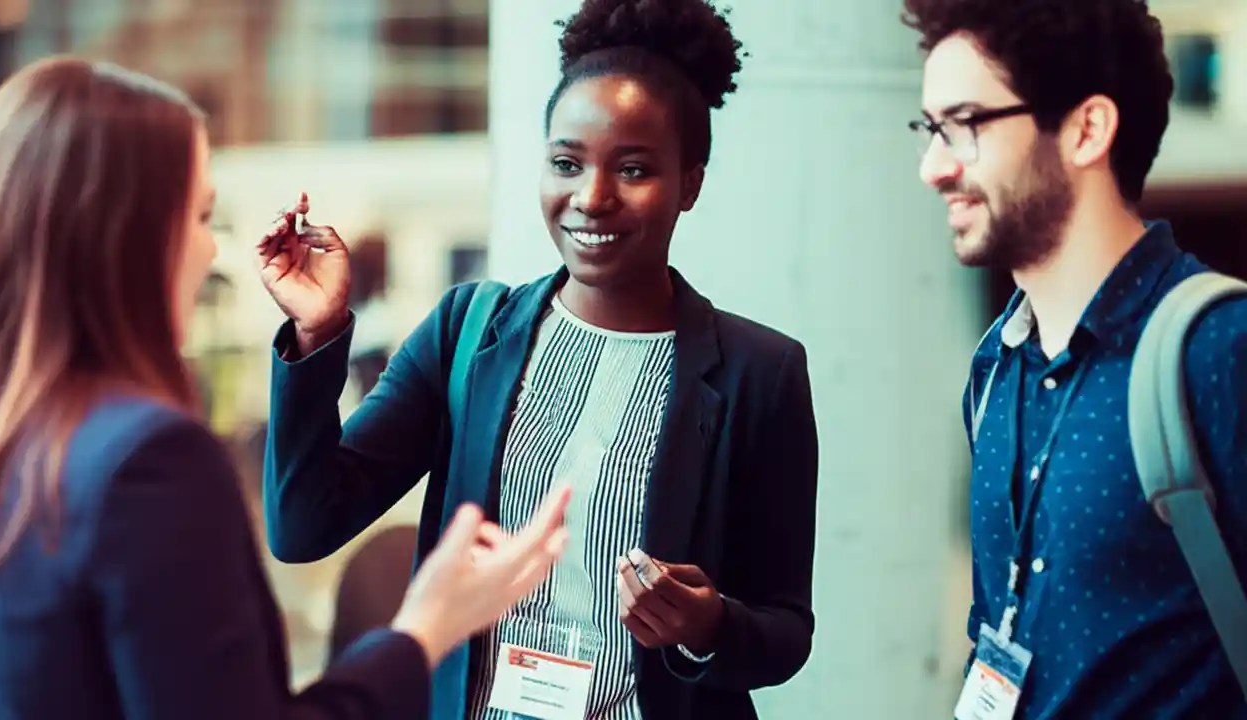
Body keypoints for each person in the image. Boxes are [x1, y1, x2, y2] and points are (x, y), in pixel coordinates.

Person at [258, 0, 820, 717]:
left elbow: (785, 631)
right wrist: (316, 333)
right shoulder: (467, 330)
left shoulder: (757, 372)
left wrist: (708, 627)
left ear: (690, 183)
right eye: (566, 163)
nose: (592, 198)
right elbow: (303, 526)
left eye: (636, 168)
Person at [0, 56, 569, 720]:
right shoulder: (145, 459)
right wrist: (426, 627)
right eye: (199, 217)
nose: (212, 251)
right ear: (124, 233)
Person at [902, 0, 1247, 716]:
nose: (933, 167)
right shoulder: (994, 369)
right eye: (931, 129)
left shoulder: (1220, 350)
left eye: (965, 126)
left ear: (1087, 129)